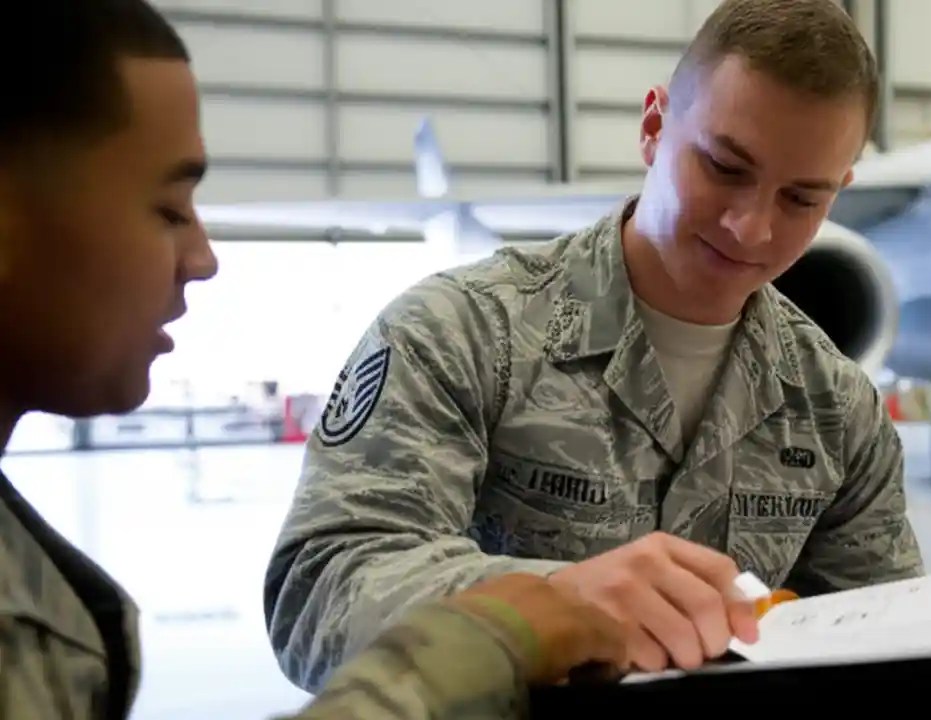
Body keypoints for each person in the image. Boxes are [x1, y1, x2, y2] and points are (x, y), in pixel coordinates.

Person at [264, 0, 924, 692]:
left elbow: (883, 636)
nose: (750, 227)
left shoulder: (837, 408)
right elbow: (317, 595)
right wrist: (554, 607)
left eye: (801, 201)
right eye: (725, 168)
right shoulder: (461, 333)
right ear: (653, 128)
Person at [0, 1, 626, 718]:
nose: (202, 259)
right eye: (168, 210)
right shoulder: (452, 325)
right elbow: (320, 587)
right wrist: (478, 646)